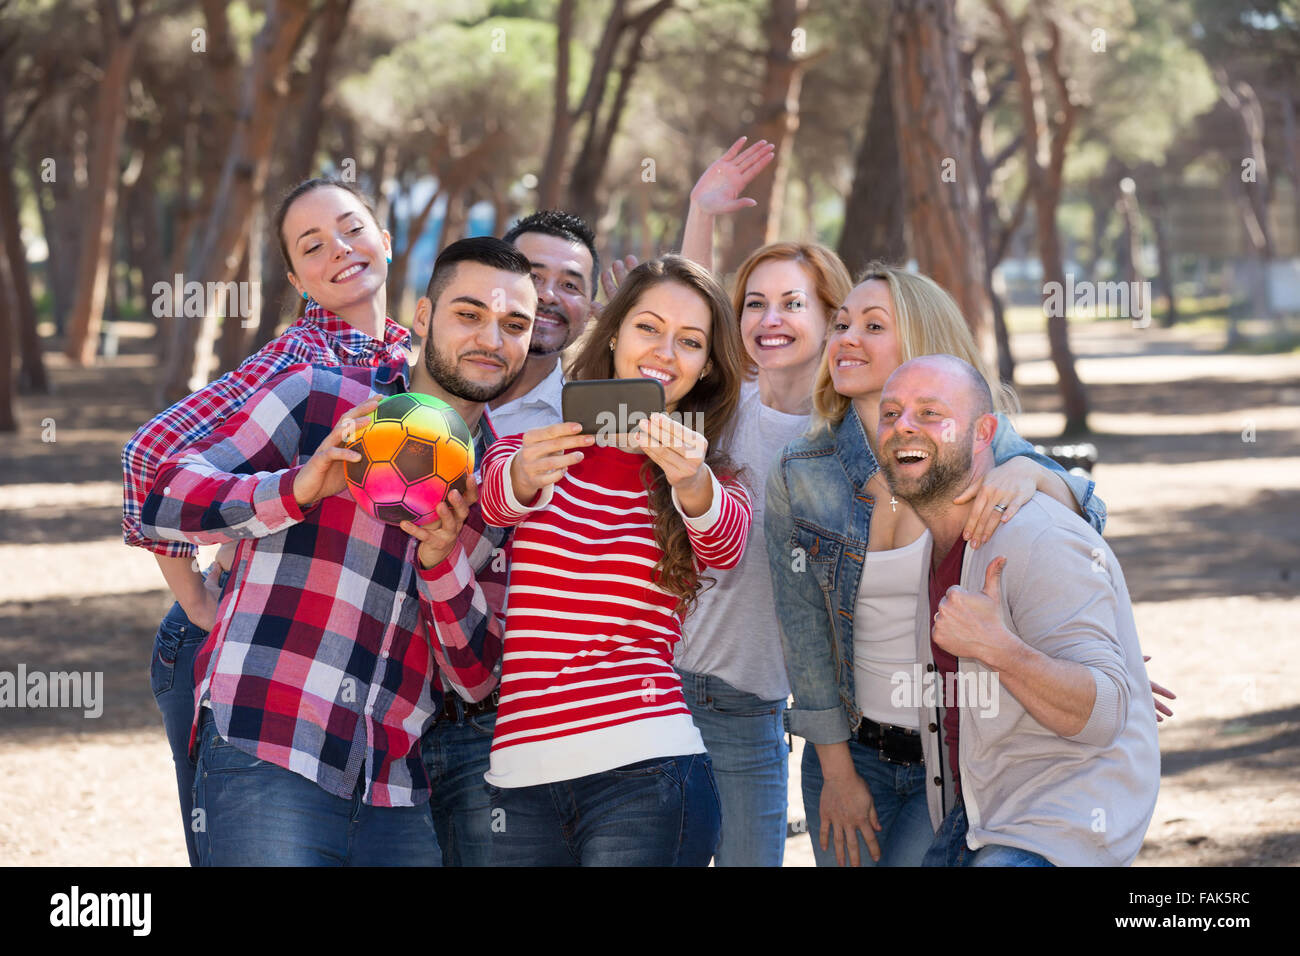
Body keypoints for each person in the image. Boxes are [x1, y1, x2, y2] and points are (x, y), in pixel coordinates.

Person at [138, 237, 536, 865]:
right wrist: (298, 486)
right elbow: (163, 499)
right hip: (267, 747)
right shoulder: (319, 397)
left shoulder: (498, 482)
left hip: (395, 788)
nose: (492, 337)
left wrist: (440, 562)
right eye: (469, 314)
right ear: (426, 316)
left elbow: (476, 675)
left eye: (514, 324)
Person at [765, 263, 1110, 867]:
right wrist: (838, 774)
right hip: (854, 758)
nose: (846, 337)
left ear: (922, 340)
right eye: (842, 323)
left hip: (959, 757)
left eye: (874, 325)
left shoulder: (977, 443)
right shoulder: (801, 470)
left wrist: (1033, 474)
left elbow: (1088, 519)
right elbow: (806, 638)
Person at [121, 177, 410, 864]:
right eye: (313, 246)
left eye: (351, 229)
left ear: (387, 237)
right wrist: (195, 600)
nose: (339, 250)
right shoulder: (299, 361)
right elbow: (148, 457)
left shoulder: (407, 360)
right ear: (294, 276)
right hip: (240, 644)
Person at [438, 255, 752, 865]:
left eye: (689, 342)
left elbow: (726, 544)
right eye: (648, 328)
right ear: (613, 334)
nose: (665, 351)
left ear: (707, 366)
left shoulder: (709, 474)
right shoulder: (535, 446)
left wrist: (691, 481)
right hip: (516, 779)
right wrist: (528, 471)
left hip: (644, 773)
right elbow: (498, 499)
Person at [878, 354, 1160, 866]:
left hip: (1059, 822)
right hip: (979, 814)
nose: (903, 428)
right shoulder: (928, 546)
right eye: (891, 413)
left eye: (928, 413)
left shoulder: (1039, 536)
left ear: (985, 432)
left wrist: (998, 648)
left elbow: (1104, 711)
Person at [672, 239, 850, 867]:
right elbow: (684, 312)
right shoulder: (720, 405)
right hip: (655, 689)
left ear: (833, 317)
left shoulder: (848, 440)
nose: (769, 319)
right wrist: (704, 212)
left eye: (792, 303)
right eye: (755, 303)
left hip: (750, 706)